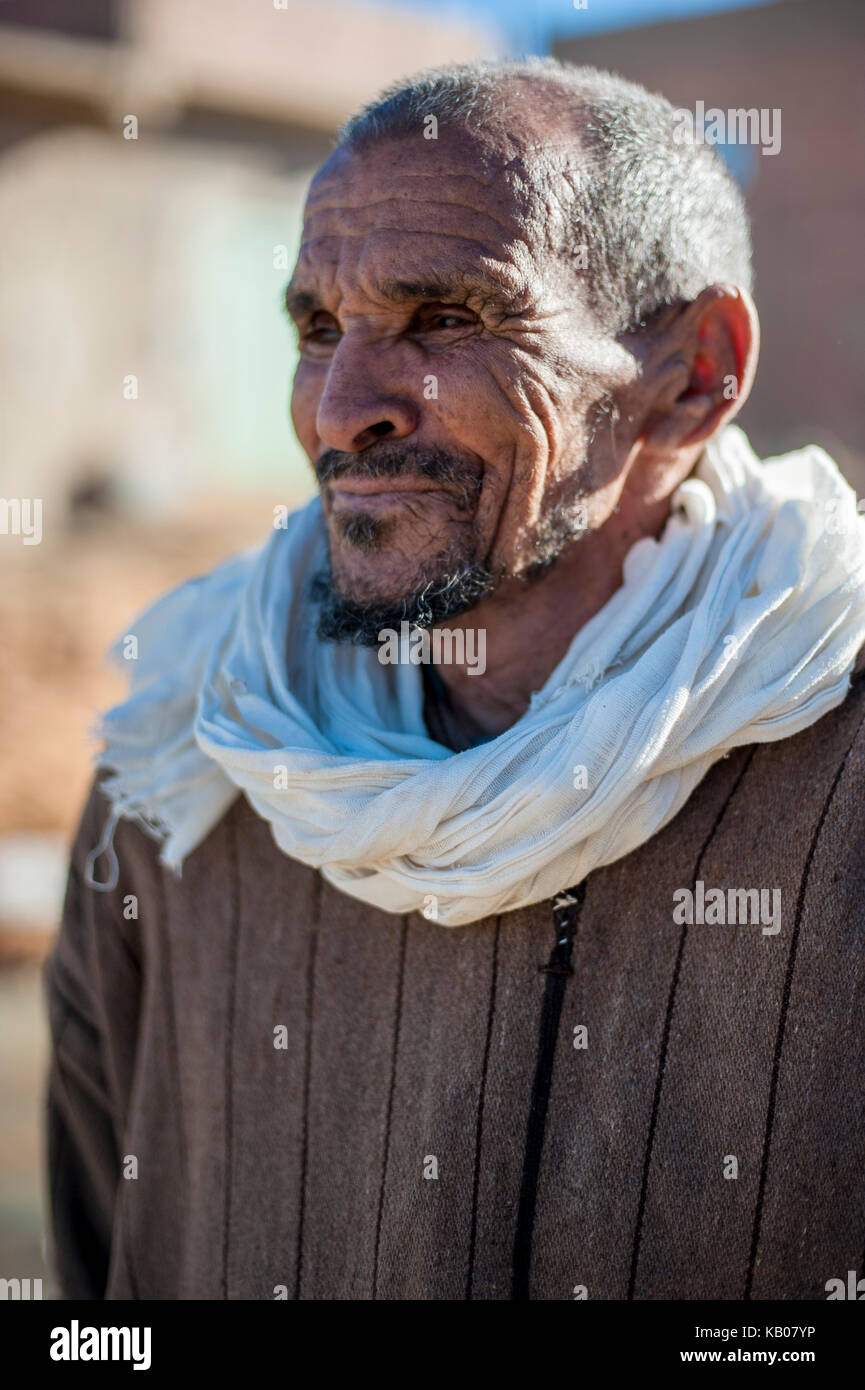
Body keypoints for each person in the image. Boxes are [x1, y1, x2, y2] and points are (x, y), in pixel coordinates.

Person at [45, 59, 865, 1301]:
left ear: (694, 370)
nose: (338, 407)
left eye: (449, 319)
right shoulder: (187, 765)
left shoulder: (835, 773)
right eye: (318, 329)